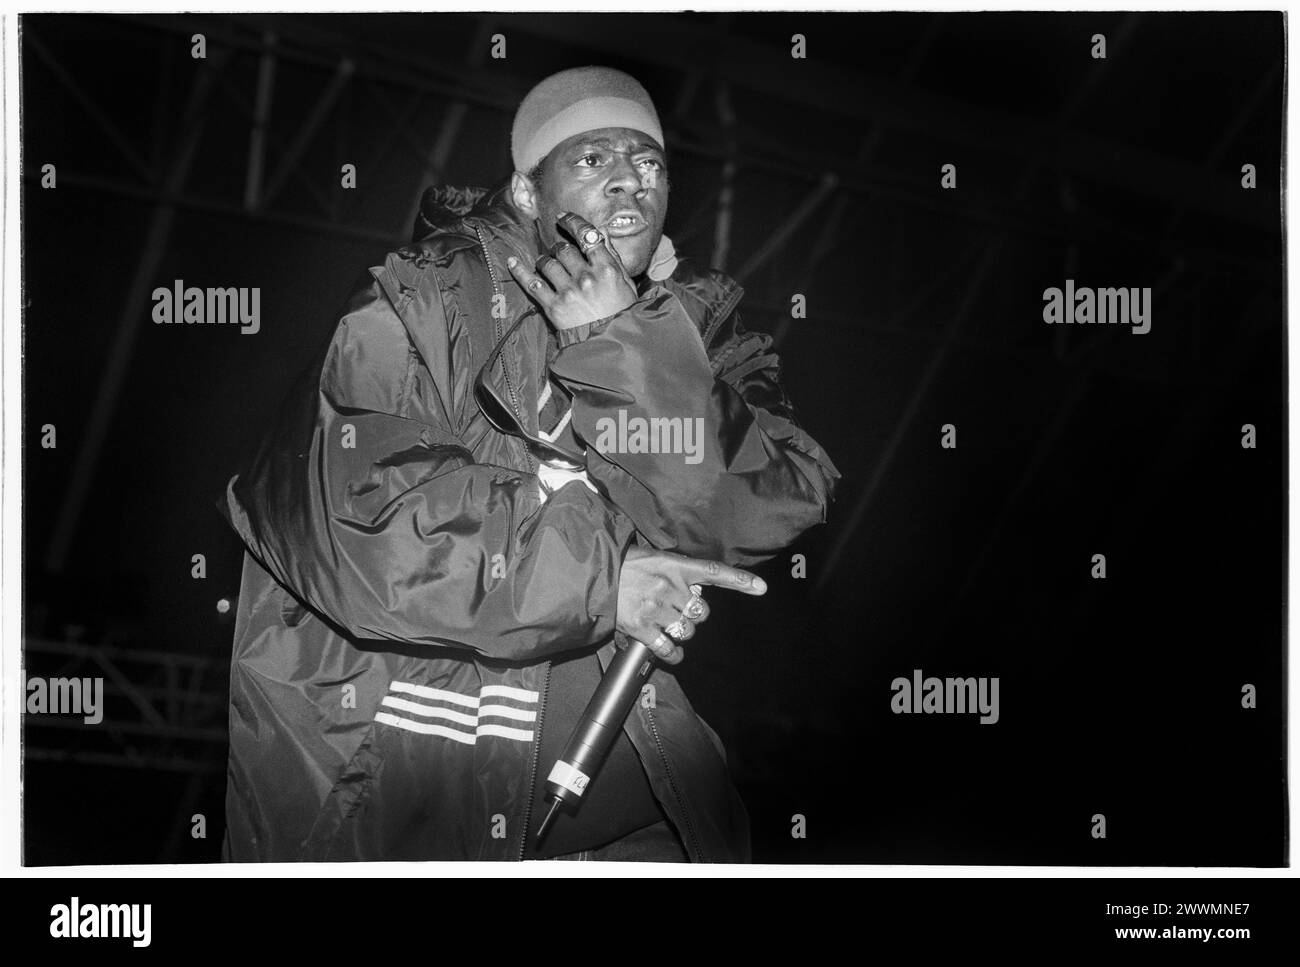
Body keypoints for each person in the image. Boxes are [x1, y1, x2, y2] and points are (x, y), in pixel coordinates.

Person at [218, 65, 839, 863]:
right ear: (525, 192)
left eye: (649, 164)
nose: (629, 181)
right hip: (411, 801)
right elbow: (358, 507)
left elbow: (764, 505)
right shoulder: (423, 297)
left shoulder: (708, 337)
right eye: (591, 160)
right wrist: (602, 580)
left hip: (644, 815)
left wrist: (625, 342)